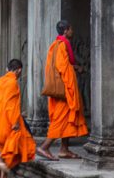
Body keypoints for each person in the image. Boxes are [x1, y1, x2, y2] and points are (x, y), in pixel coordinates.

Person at [37, 20, 89, 160]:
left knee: (67, 119)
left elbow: (65, 65)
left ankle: (64, 149)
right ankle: (44, 147)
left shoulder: (59, 45)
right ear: (66, 31)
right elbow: (62, 68)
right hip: (64, 90)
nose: (72, 31)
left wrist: (76, 68)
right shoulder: (60, 45)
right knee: (60, 120)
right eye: (71, 29)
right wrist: (69, 89)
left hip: (64, 88)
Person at [0, 59, 36, 178]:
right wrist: (14, 122)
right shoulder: (12, 83)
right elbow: (11, 105)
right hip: (9, 121)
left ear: (7, 69)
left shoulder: (0, 80)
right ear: (19, 70)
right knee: (16, 146)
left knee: (7, 146)